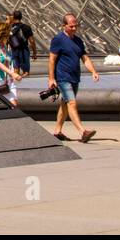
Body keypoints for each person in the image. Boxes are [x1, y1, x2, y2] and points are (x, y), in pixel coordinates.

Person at [48, 12, 99, 143]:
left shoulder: (78, 40)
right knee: (72, 102)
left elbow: (85, 58)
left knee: (65, 105)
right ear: (63, 26)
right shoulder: (58, 39)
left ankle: (57, 131)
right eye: (71, 26)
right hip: (62, 77)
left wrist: (93, 71)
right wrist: (51, 78)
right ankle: (83, 132)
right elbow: (52, 60)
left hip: (75, 77)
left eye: (76, 26)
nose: (74, 28)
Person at [7, 10, 34, 95]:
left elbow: (6, 41)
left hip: (14, 50)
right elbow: (32, 41)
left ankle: (16, 89)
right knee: (26, 72)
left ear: (13, 17)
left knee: (15, 69)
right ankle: (25, 90)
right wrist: (35, 52)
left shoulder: (9, 28)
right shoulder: (26, 27)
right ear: (21, 17)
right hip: (24, 50)